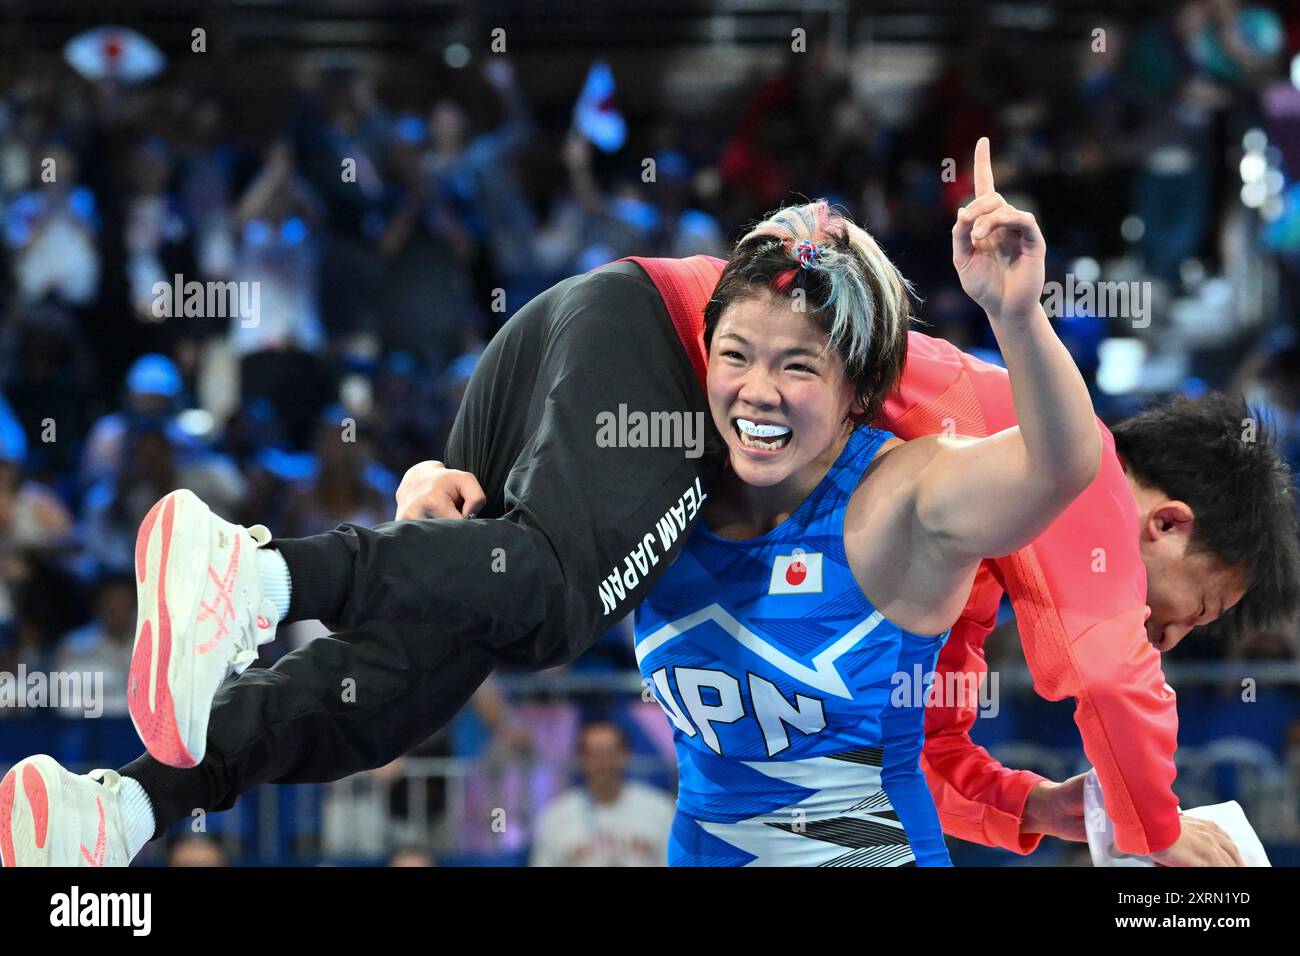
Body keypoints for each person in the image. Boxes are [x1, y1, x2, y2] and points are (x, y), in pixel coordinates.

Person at [0, 140, 1289, 867]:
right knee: (556, 597)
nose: (1167, 635)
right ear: (1162, 524)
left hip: (577, 363)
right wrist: (1154, 837)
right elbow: (1112, 660)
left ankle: (124, 804)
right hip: (632, 342)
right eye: (1195, 614)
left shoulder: (952, 554)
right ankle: (259, 572)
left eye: (1174, 639)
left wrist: (1036, 808)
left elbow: (918, 756)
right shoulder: (1042, 496)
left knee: (405, 688)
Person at [633, 142, 1102, 865]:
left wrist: (1018, 317)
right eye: (736, 356)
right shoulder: (659, 476)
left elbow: (1060, 466)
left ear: (859, 390)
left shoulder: (902, 496)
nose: (758, 390)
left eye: (798, 366)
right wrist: (439, 478)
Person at [530, 721, 674, 867]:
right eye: (594, 754)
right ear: (581, 759)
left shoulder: (660, 809)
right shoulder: (555, 816)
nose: (602, 762)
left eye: (609, 753)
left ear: (625, 755)